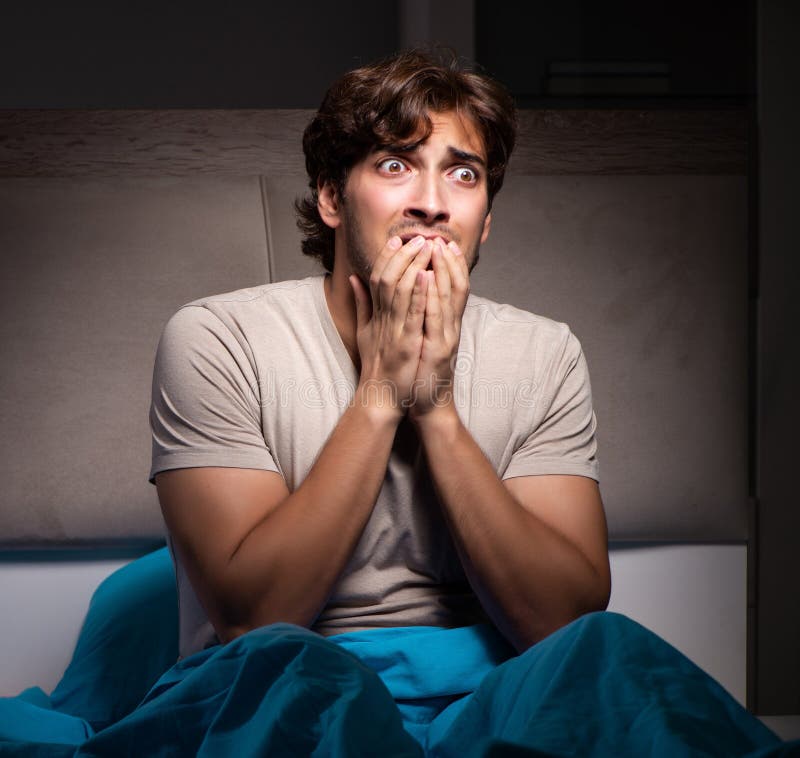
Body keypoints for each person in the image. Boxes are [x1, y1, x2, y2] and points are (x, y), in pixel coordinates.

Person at [139, 50, 782, 756]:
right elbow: (256, 622)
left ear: (486, 220)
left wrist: (436, 408)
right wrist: (381, 393)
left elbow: (564, 622)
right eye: (394, 165)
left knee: (612, 650)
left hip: (489, 695)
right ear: (331, 197)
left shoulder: (545, 353)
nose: (432, 201)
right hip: (287, 689)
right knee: (297, 678)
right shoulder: (216, 338)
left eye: (463, 174)